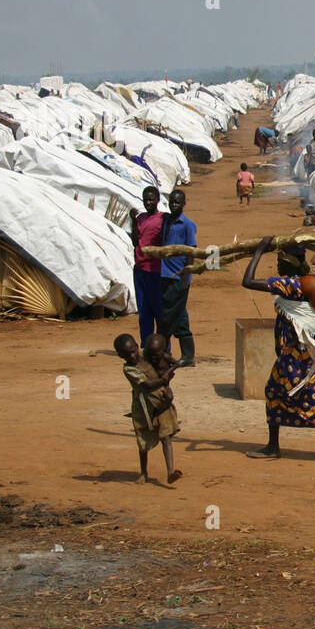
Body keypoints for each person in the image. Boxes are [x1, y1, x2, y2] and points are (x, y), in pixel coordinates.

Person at [241, 238, 315, 462]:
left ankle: (273, 446)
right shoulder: (305, 283)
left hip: (296, 354)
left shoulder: (290, 285)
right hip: (313, 350)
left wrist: (258, 252)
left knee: (275, 391)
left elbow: (247, 281)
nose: (277, 266)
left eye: (279, 261)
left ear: (289, 264)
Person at [115, 333, 182, 485]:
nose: (132, 356)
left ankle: (170, 471)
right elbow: (146, 385)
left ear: (137, 347)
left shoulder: (148, 357)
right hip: (143, 406)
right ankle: (144, 473)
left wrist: (167, 384)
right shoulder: (129, 369)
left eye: (133, 351)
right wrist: (164, 379)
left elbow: (165, 366)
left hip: (161, 402)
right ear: (120, 356)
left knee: (165, 437)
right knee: (143, 441)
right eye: (127, 355)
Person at [158, 189, 198, 366]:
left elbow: (191, 252)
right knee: (179, 313)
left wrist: (185, 277)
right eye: (172, 202)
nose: (174, 205)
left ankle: (162, 351)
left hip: (178, 276)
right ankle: (187, 356)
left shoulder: (187, 224)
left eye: (177, 202)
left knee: (168, 314)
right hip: (165, 274)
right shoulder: (165, 220)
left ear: (184, 204)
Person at [130, 187, 164, 347]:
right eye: (145, 200)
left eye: (151, 199)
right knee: (144, 311)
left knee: (159, 311)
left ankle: (163, 347)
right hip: (140, 269)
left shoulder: (162, 219)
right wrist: (133, 221)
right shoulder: (141, 218)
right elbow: (136, 241)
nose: (148, 203)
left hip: (155, 271)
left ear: (158, 200)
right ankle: (146, 345)